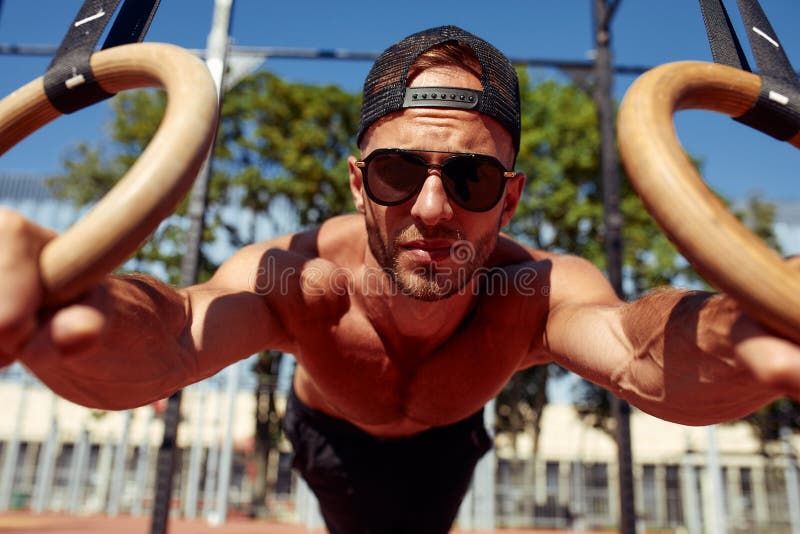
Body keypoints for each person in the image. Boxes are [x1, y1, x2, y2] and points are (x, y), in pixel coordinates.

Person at [1, 24, 798, 533]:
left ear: (510, 196)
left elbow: (638, 351)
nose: (431, 208)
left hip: (447, 444)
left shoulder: (533, 294)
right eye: (395, 172)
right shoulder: (301, 277)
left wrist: (750, 319)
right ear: (357, 182)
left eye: (472, 181)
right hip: (330, 440)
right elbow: (175, 332)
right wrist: (74, 294)